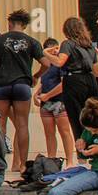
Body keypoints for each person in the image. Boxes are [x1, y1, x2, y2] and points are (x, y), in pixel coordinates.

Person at [0, 9, 51, 174]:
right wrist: (35, 76)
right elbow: (47, 64)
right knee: (22, 125)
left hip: (1, 85)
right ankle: (22, 165)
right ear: (24, 25)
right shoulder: (32, 42)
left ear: (9, 23)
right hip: (22, 85)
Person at [45, 17, 98, 148]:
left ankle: (82, 153)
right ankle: (94, 147)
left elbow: (59, 62)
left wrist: (46, 53)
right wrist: (97, 55)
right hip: (90, 80)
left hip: (74, 80)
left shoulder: (67, 44)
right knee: (92, 116)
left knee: (76, 118)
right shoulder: (89, 46)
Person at [34, 38, 76, 167]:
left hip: (59, 101)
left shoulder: (61, 64)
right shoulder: (47, 66)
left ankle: (70, 160)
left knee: (64, 131)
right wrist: (37, 94)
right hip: (46, 103)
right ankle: (51, 160)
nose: (54, 52)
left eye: (55, 49)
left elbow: (64, 84)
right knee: (49, 133)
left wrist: (48, 95)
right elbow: (44, 83)